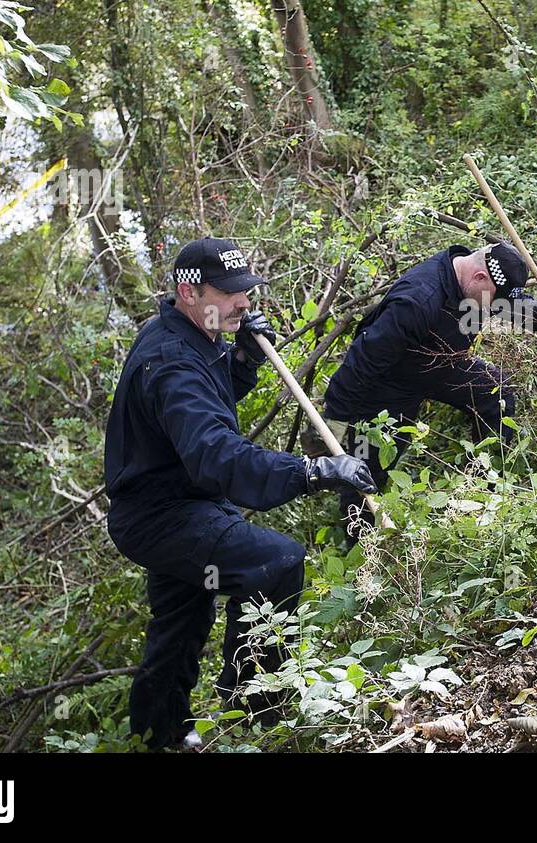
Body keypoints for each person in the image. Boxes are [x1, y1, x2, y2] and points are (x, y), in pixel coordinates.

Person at [103, 236, 376, 750]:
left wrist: (243, 361)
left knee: (182, 621)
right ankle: (253, 715)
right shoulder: (171, 360)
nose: (244, 302)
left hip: (178, 501)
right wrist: (312, 471)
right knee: (275, 563)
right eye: (229, 293)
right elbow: (213, 453)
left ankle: (157, 737)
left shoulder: (189, 334)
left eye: (245, 291)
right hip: (162, 513)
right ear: (188, 291)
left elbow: (204, 405)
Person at [317, 242, 537, 526]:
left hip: (444, 364)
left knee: (496, 393)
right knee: (363, 472)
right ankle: (361, 544)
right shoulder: (416, 301)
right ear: (479, 278)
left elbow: (508, 305)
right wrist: (336, 417)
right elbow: (362, 362)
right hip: (387, 386)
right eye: (494, 300)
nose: (494, 308)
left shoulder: (478, 284)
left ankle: (486, 492)